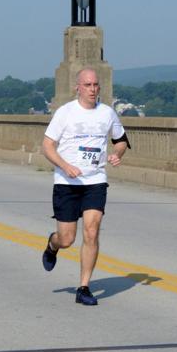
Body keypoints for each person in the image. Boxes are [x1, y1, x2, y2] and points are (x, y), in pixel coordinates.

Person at [40, 68, 129, 306]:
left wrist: (116, 154)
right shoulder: (65, 113)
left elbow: (121, 140)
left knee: (91, 231)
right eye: (87, 85)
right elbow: (47, 146)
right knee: (67, 238)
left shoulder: (107, 113)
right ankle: (52, 244)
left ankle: (84, 287)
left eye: (95, 85)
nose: (92, 89)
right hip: (67, 182)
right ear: (77, 87)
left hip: (95, 180)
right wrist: (65, 165)